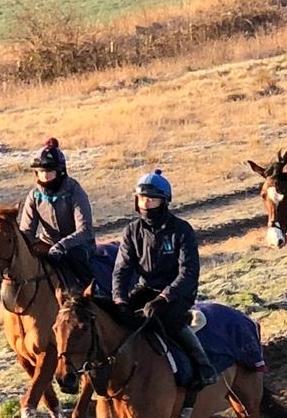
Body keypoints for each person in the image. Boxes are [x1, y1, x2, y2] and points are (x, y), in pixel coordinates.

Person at [112, 170, 217, 391]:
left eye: (151, 199)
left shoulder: (181, 230)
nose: (146, 204)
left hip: (177, 293)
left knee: (166, 319)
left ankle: (203, 365)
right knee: (117, 320)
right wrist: (119, 300)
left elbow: (188, 272)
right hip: (145, 289)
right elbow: (121, 270)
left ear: (164, 201)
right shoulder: (131, 231)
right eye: (142, 199)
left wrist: (164, 297)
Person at [16, 138, 96, 290]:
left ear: (60, 171)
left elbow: (84, 230)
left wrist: (61, 246)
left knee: (75, 258)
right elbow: (27, 231)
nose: (45, 176)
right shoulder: (34, 196)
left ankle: (92, 294)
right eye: (41, 172)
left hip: (78, 245)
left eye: (49, 171)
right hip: (48, 245)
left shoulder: (74, 191)